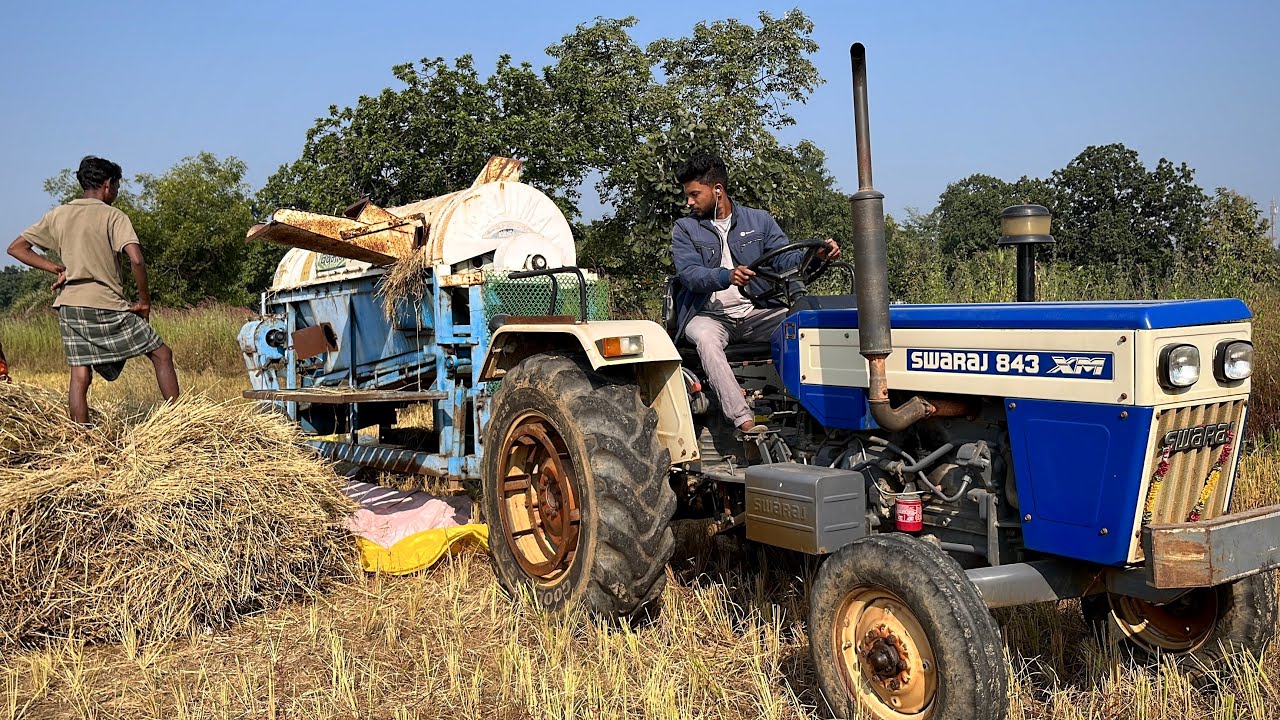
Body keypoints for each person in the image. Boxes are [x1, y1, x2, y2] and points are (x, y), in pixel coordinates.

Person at [670, 153, 839, 434]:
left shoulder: (759, 221)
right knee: (706, 340)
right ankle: (745, 422)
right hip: (709, 316)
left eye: (694, 194)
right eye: (688, 196)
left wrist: (817, 256)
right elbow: (690, 274)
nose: (689, 202)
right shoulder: (685, 228)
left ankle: (818, 409)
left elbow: (785, 261)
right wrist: (726, 276)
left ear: (718, 190)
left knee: (803, 322)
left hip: (754, 312)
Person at [7, 156, 179, 422]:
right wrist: (144, 301)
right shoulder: (114, 216)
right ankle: (178, 422)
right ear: (108, 184)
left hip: (70, 307)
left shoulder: (59, 214)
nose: (118, 193)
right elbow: (136, 259)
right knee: (161, 353)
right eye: (118, 187)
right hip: (105, 305)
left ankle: (81, 442)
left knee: (80, 375)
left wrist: (57, 268)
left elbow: (16, 248)